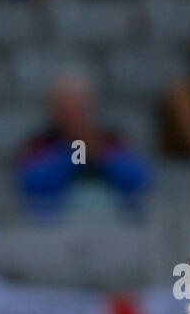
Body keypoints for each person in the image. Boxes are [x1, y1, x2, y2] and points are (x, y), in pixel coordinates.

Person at [16, 70, 151, 218]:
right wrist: (75, 153)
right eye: (65, 110)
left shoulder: (111, 141)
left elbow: (139, 179)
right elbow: (32, 184)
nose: (73, 116)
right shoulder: (40, 143)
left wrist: (101, 155)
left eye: (79, 108)